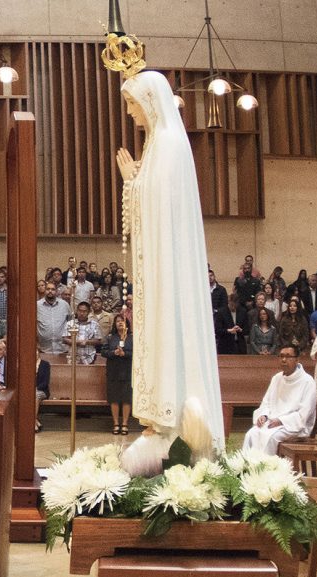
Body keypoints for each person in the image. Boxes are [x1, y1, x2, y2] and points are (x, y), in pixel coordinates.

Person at [114, 69, 225, 470]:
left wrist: (132, 182)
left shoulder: (171, 145)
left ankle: (172, 425)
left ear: (148, 100)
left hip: (171, 273)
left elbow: (163, 209)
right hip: (160, 270)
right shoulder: (160, 145)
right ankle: (159, 422)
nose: (129, 113)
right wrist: (138, 182)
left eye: (131, 104)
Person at [242, 345, 317, 455]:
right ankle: (249, 470)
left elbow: (304, 413)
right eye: (281, 356)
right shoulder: (277, 378)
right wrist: (264, 415)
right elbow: (267, 401)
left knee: (271, 438)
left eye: (288, 356)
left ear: (297, 359)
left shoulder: (307, 382)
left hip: (293, 425)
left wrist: (281, 420)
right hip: (272, 422)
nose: (283, 360)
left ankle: (269, 471)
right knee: (251, 434)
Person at [102, 313, 133, 435]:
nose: (120, 323)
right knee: (114, 398)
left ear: (127, 324)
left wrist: (124, 354)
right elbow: (103, 351)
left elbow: (136, 354)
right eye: (117, 321)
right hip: (113, 371)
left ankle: (125, 423)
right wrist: (114, 353)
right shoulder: (110, 337)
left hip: (127, 371)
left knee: (126, 399)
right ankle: (115, 423)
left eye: (122, 321)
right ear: (114, 324)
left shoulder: (132, 338)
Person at [37, 287, 70, 353]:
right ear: (45, 291)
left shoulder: (65, 305)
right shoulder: (37, 305)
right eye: (48, 289)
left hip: (62, 349)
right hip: (43, 349)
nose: (50, 291)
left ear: (57, 292)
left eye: (53, 289)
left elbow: (70, 322)